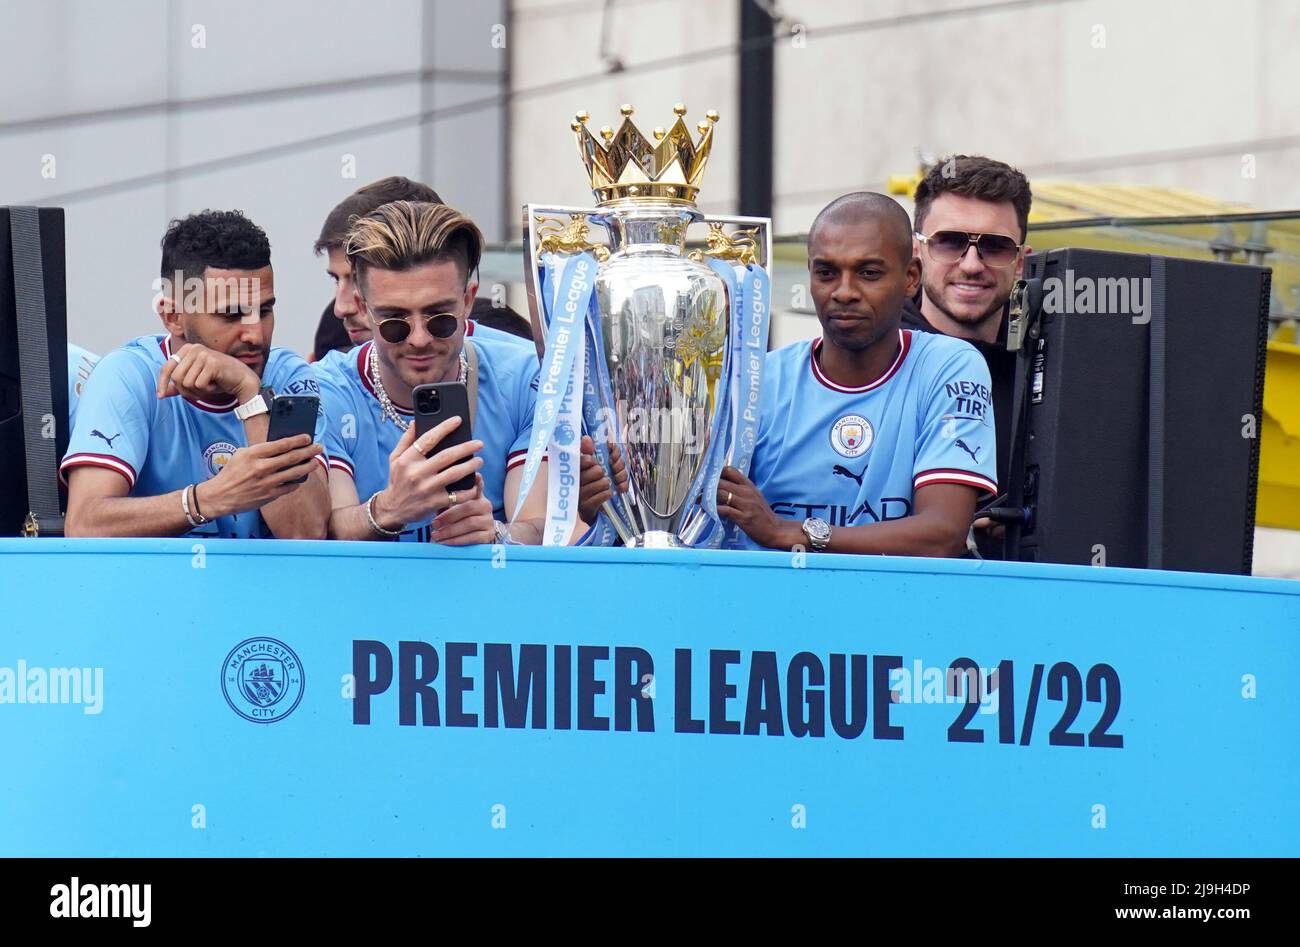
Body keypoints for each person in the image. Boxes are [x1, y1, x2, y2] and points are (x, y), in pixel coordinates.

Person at [717, 192, 997, 556]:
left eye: (868, 273)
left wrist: (791, 532)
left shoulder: (950, 366)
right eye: (827, 273)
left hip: (896, 608)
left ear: (911, 278)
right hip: (770, 606)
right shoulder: (757, 382)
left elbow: (942, 533)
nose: (844, 292)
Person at [314, 200, 587, 544]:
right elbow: (323, 533)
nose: (419, 339)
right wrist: (388, 509)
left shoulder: (523, 380)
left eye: (439, 318)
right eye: (395, 322)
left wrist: (495, 533)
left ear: (468, 300)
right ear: (364, 310)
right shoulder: (326, 391)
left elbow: (541, 525)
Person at [62, 210, 330, 539]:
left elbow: (306, 534)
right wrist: (209, 499)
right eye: (231, 315)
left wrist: (249, 394)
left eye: (265, 310)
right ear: (173, 316)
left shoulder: (287, 375)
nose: (256, 335)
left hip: (259, 591)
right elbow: (85, 524)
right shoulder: (129, 375)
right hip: (158, 590)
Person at [905, 155, 1032, 493]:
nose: (972, 265)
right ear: (916, 251)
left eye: (996, 246)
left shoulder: (1052, 367)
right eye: (950, 242)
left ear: (1021, 263)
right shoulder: (873, 357)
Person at [314, 175, 527, 357]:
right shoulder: (334, 362)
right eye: (336, 279)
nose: (341, 308)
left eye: (357, 279)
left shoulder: (515, 361)